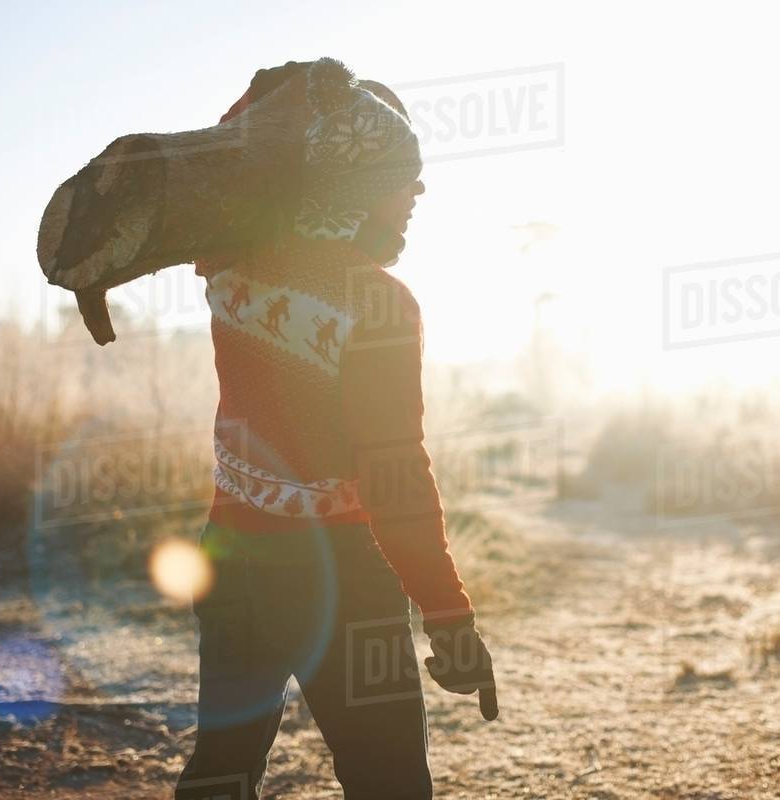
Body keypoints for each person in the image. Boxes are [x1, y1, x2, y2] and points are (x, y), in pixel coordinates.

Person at [175, 57, 497, 800]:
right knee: (389, 784)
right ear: (353, 183)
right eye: (398, 170)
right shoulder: (378, 304)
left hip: (234, 562)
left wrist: (282, 92)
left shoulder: (231, 266)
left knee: (220, 776)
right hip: (347, 579)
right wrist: (448, 616)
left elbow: (236, 157)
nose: (416, 190)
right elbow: (396, 477)